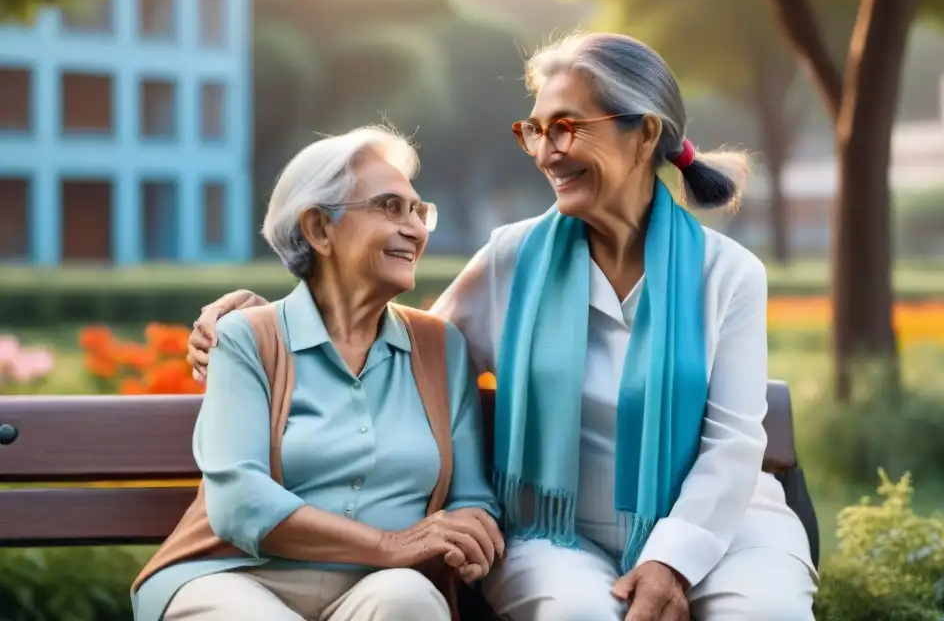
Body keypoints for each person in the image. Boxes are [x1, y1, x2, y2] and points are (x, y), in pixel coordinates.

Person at [188, 33, 817, 620]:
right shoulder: (512, 259)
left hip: (726, 529)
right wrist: (260, 322)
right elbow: (396, 349)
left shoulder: (727, 272)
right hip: (558, 534)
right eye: (535, 131)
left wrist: (671, 560)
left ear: (645, 133)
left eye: (568, 128)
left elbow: (734, 444)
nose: (547, 152)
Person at [134, 127, 502, 621]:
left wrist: (469, 530)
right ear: (318, 229)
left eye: (419, 211)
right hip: (234, 575)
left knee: (409, 600)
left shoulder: (441, 347)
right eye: (390, 207)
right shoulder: (246, 337)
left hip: (377, 586)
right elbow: (240, 501)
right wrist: (389, 543)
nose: (414, 228)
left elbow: (472, 496)